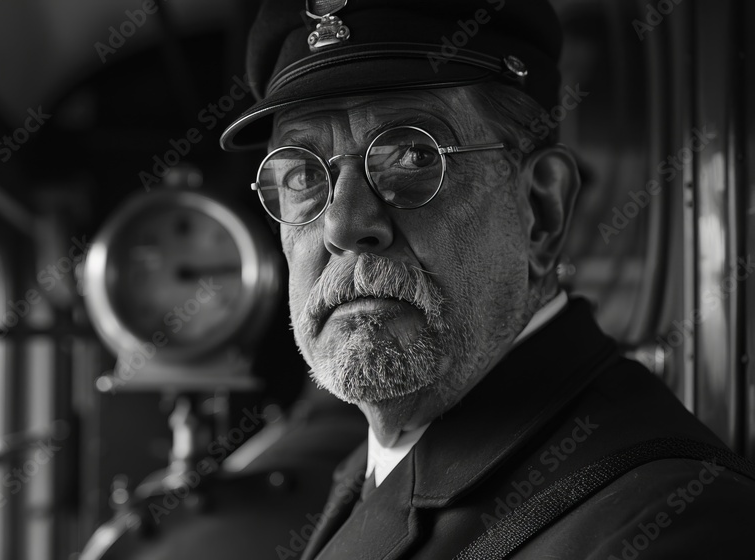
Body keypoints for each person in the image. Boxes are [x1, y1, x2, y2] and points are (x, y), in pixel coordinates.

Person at [218, 1, 755, 558]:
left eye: (411, 155)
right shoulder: (375, 463)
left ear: (540, 210)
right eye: (304, 173)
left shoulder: (676, 527)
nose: (345, 226)